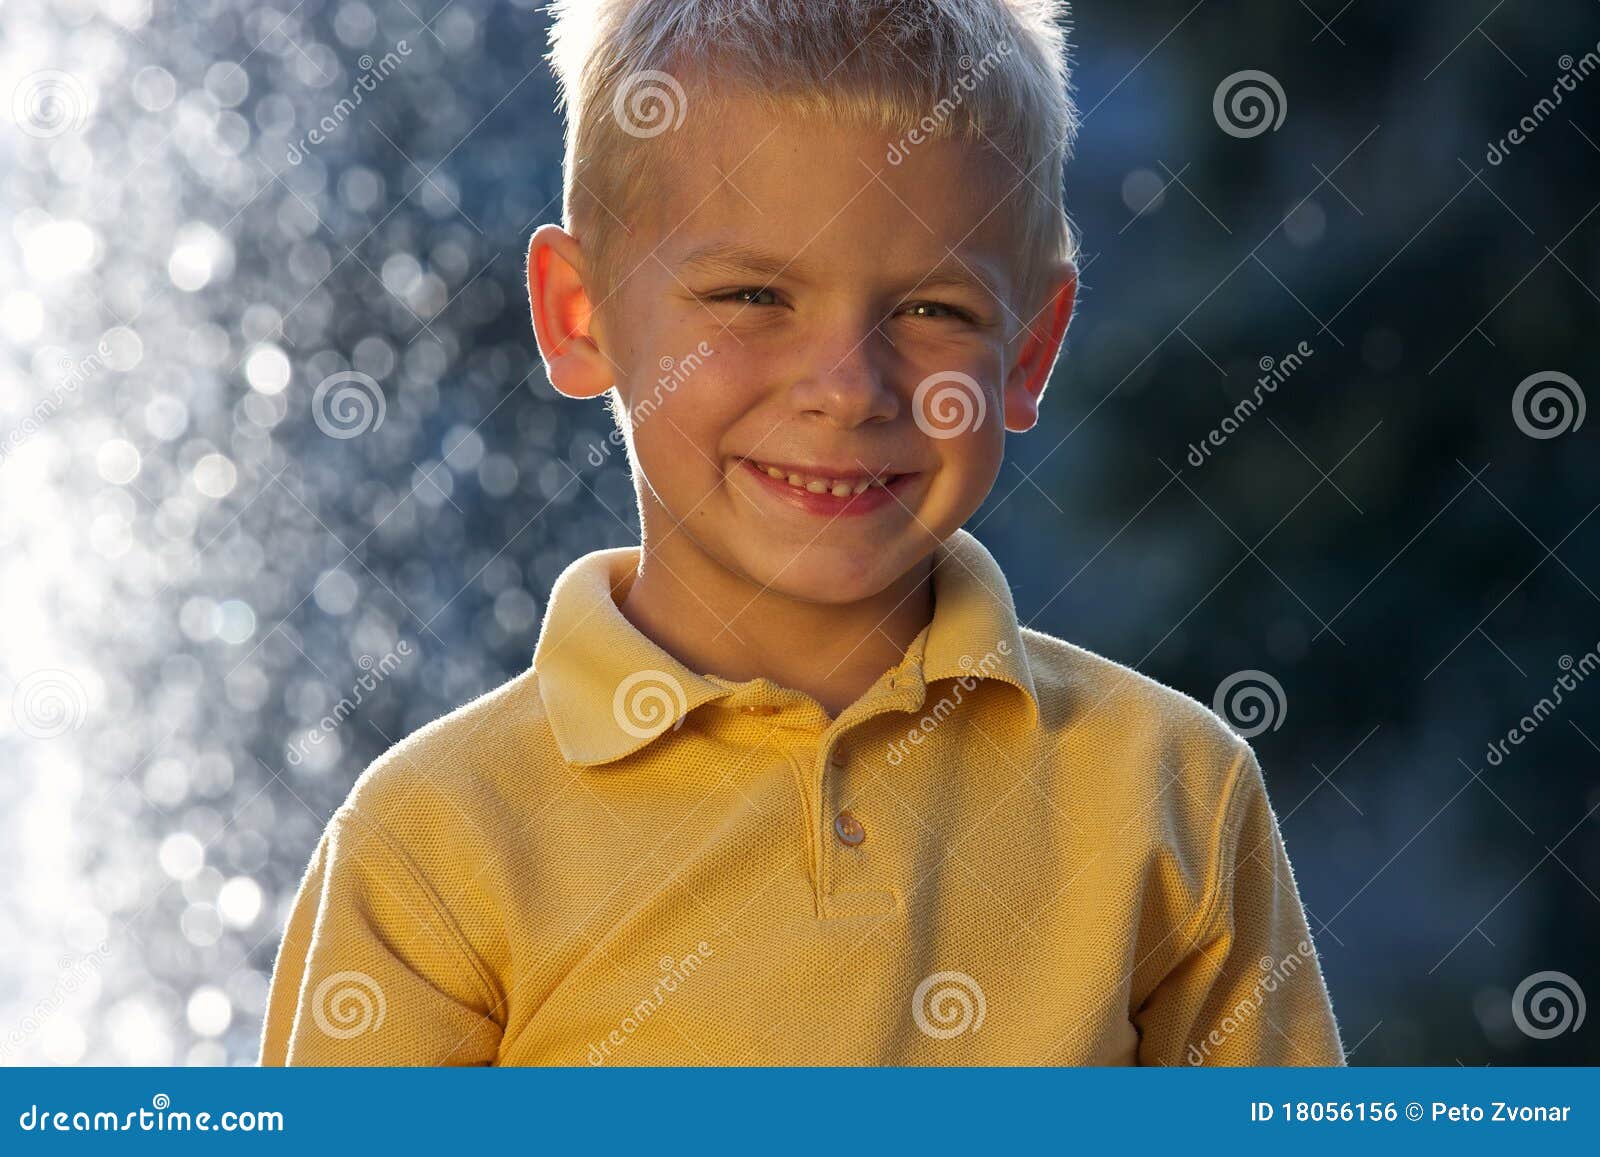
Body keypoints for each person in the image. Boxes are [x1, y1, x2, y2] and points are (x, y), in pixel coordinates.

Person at [260, 0, 1345, 1066]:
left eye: (934, 310)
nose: (846, 388)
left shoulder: (1173, 787)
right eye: (750, 294)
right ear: (576, 314)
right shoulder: (433, 839)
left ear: (1028, 348)